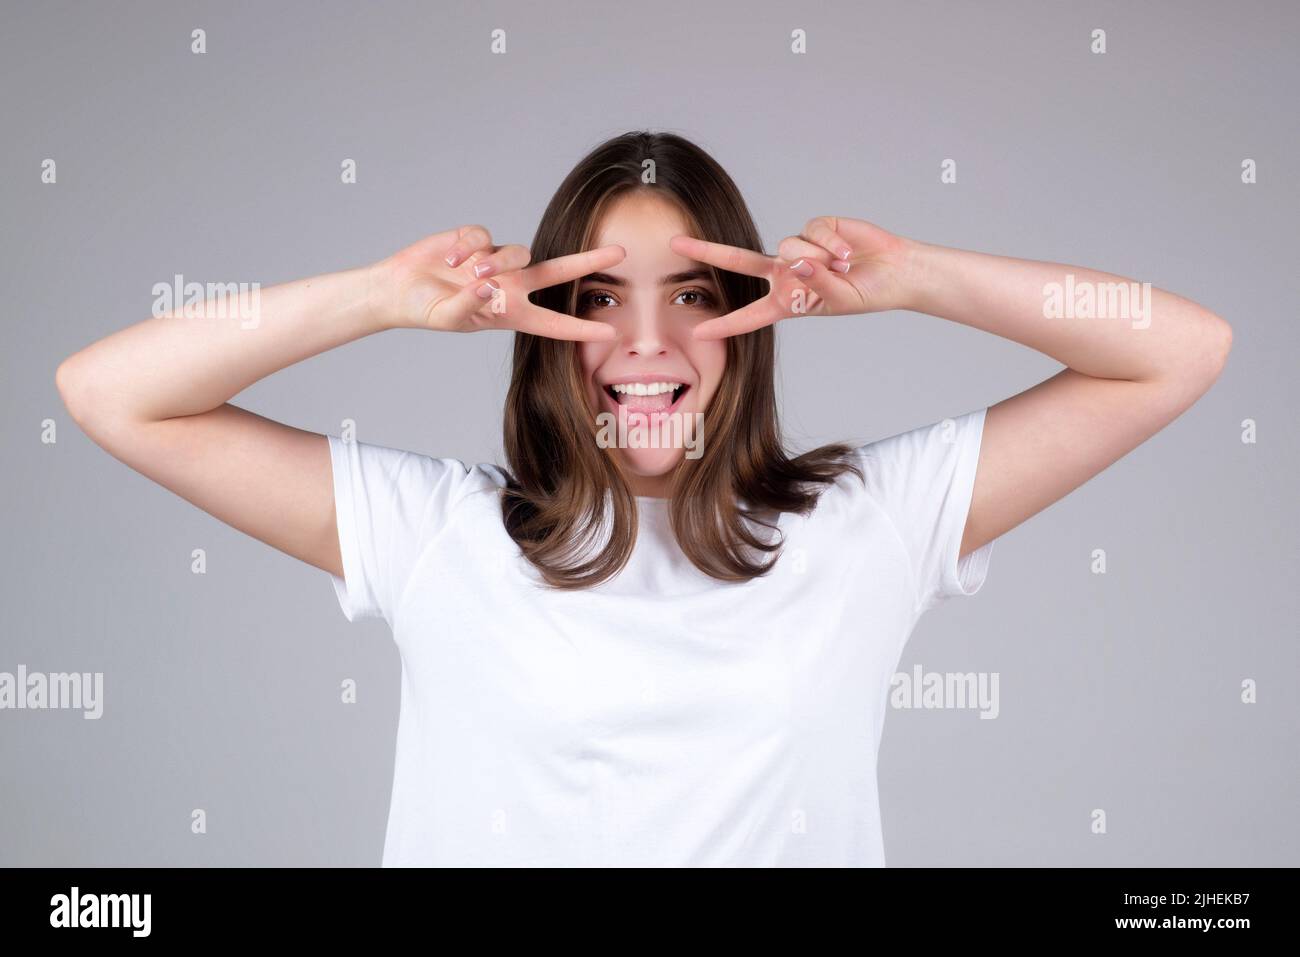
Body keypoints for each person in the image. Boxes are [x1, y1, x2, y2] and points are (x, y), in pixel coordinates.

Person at [55, 131, 1232, 866]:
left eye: (690, 293)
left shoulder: (872, 523)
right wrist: (378, 298)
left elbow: (1176, 350)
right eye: (602, 298)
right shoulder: (434, 536)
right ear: (540, 329)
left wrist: (918, 278)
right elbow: (111, 392)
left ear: (750, 319)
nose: (647, 341)